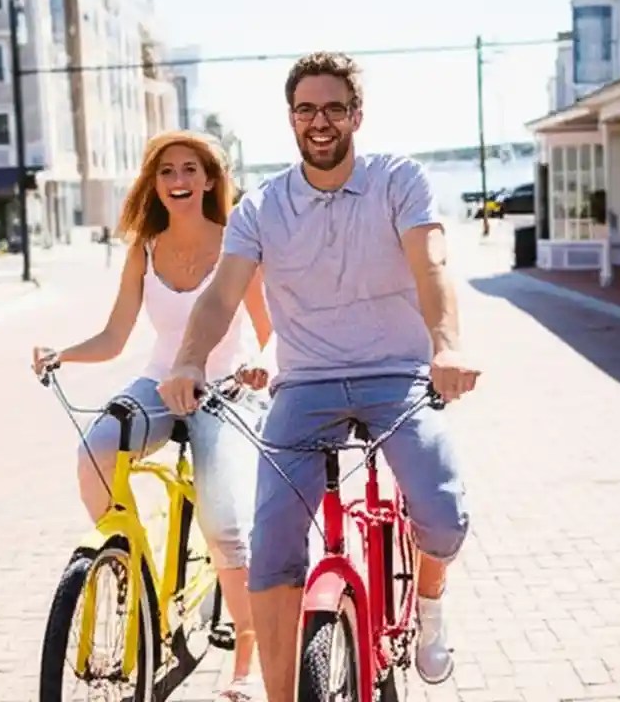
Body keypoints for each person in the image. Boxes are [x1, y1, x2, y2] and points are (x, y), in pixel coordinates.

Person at [157, 52, 481, 701]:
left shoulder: (397, 180)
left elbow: (431, 267)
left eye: (334, 107)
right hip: (304, 387)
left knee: (441, 517)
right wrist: (188, 360)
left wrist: (446, 347)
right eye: (307, 109)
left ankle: (430, 605)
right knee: (272, 546)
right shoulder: (264, 207)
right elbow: (221, 296)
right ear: (291, 118)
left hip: (399, 377)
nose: (320, 121)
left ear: (356, 114)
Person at [32, 129, 273, 700]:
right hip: (159, 382)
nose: (179, 181)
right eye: (167, 172)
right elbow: (117, 335)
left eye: (191, 169)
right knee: (93, 452)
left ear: (210, 178)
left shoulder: (239, 241)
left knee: (225, 526)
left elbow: (267, 332)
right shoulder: (143, 247)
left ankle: (246, 652)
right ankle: (124, 567)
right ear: (154, 183)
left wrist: (260, 367)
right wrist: (62, 353)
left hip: (227, 387)